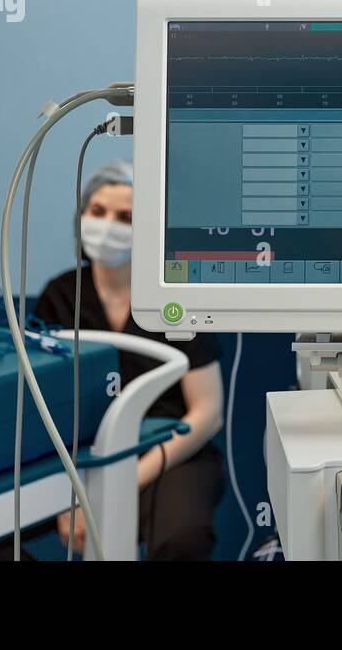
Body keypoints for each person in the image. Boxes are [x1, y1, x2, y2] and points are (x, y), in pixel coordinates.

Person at [34, 159, 226, 560]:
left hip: (168, 451)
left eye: (126, 217)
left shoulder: (175, 298)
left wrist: (127, 479)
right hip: (80, 453)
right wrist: (75, 486)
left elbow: (208, 412)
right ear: (81, 215)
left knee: (182, 537)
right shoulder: (61, 296)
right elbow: (40, 406)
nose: (107, 226)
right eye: (98, 212)